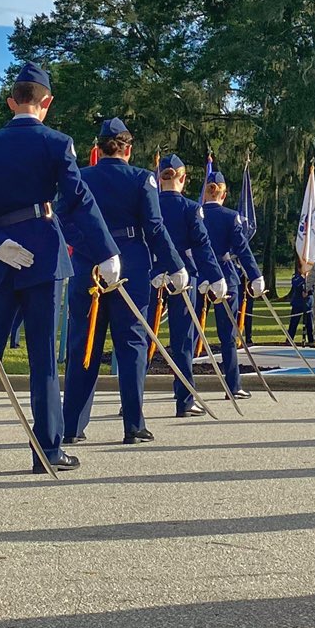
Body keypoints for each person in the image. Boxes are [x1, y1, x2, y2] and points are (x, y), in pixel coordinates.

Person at [0, 63, 117, 476]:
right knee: (43, 360)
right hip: (44, 255)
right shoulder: (57, 143)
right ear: (45, 102)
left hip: (0, 256)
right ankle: (47, 450)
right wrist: (106, 251)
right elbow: (79, 199)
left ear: (10, 101)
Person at [63, 119, 188, 446]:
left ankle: (72, 425)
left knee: (84, 343)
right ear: (128, 149)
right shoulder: (141, 178)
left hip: (88, 265)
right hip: (131, 264)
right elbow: (155, 228)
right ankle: (133, 424)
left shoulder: (81, 177)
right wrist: (175, 265)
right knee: (132, 345)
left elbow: (63, 220)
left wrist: (91, 249)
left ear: (99, 147)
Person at [154, 154, 225, 415]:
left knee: (143, 339)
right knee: (182, 340)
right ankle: (184, 400)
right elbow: (202, 246)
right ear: (183, 179)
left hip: (152, 273)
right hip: (184, 276)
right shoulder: (190, 207)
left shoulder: (149, 204)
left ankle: (131, 400)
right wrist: (216, 277)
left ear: (159, 178)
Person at [201, 168, 266, 400]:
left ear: (205, 192)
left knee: (188, 335)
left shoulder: (194, 213)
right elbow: (242, 250)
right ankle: (233, 385)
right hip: (226, 276)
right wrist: (255, 275)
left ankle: (184, 389)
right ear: (224, 194)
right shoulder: (230, 217)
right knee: (227, 336)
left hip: (199, 275)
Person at [288, 259, 314, 345]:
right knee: (293, 322)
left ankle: (311, 340)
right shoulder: (296, 277)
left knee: (310, 323)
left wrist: (308, 291)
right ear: (299, 269)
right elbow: (295, 284)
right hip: (298, 303)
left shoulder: (312, 277)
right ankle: (289, 339)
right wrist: (303, 277)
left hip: (308, 303)